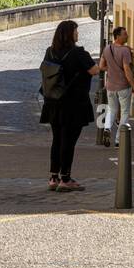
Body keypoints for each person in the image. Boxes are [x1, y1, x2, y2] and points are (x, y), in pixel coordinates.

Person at [40, 20, 104, 192]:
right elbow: (94, 70)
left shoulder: (50, 52)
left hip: (53, 102)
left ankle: (53, 177)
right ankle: (65, 178)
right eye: (76, 31)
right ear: (70, 34)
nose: (78, 34)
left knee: (57, 139)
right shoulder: (78, 53)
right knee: (69, 141)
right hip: (74, 103)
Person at [101, 26, 134, 146]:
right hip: (123, 86)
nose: (127, 36)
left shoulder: (107, 49)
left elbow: (101, 66)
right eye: (124, 34)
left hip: (110, 86)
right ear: (117, 36)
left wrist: (112, 70)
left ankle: (107, 128)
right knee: (125, 112)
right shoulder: (125, 51)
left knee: (112, 110)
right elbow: (127, 70)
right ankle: (119, 139)